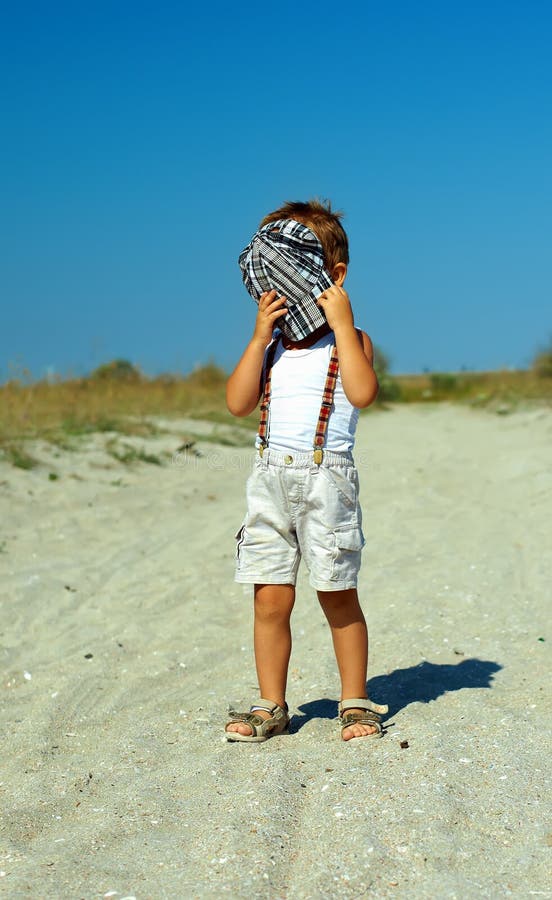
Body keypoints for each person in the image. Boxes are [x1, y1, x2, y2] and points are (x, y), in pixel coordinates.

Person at [225, 200, 387, 743]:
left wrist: (342, 323)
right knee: (270, 597)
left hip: (327, 481)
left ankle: (355, 700)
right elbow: (237, 403)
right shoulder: (270, 348)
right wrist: (255, 340)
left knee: (337, 593)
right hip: (269, 483)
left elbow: (363, 392)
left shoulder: (350, 344)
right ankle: (271, 703)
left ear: (333, 277)